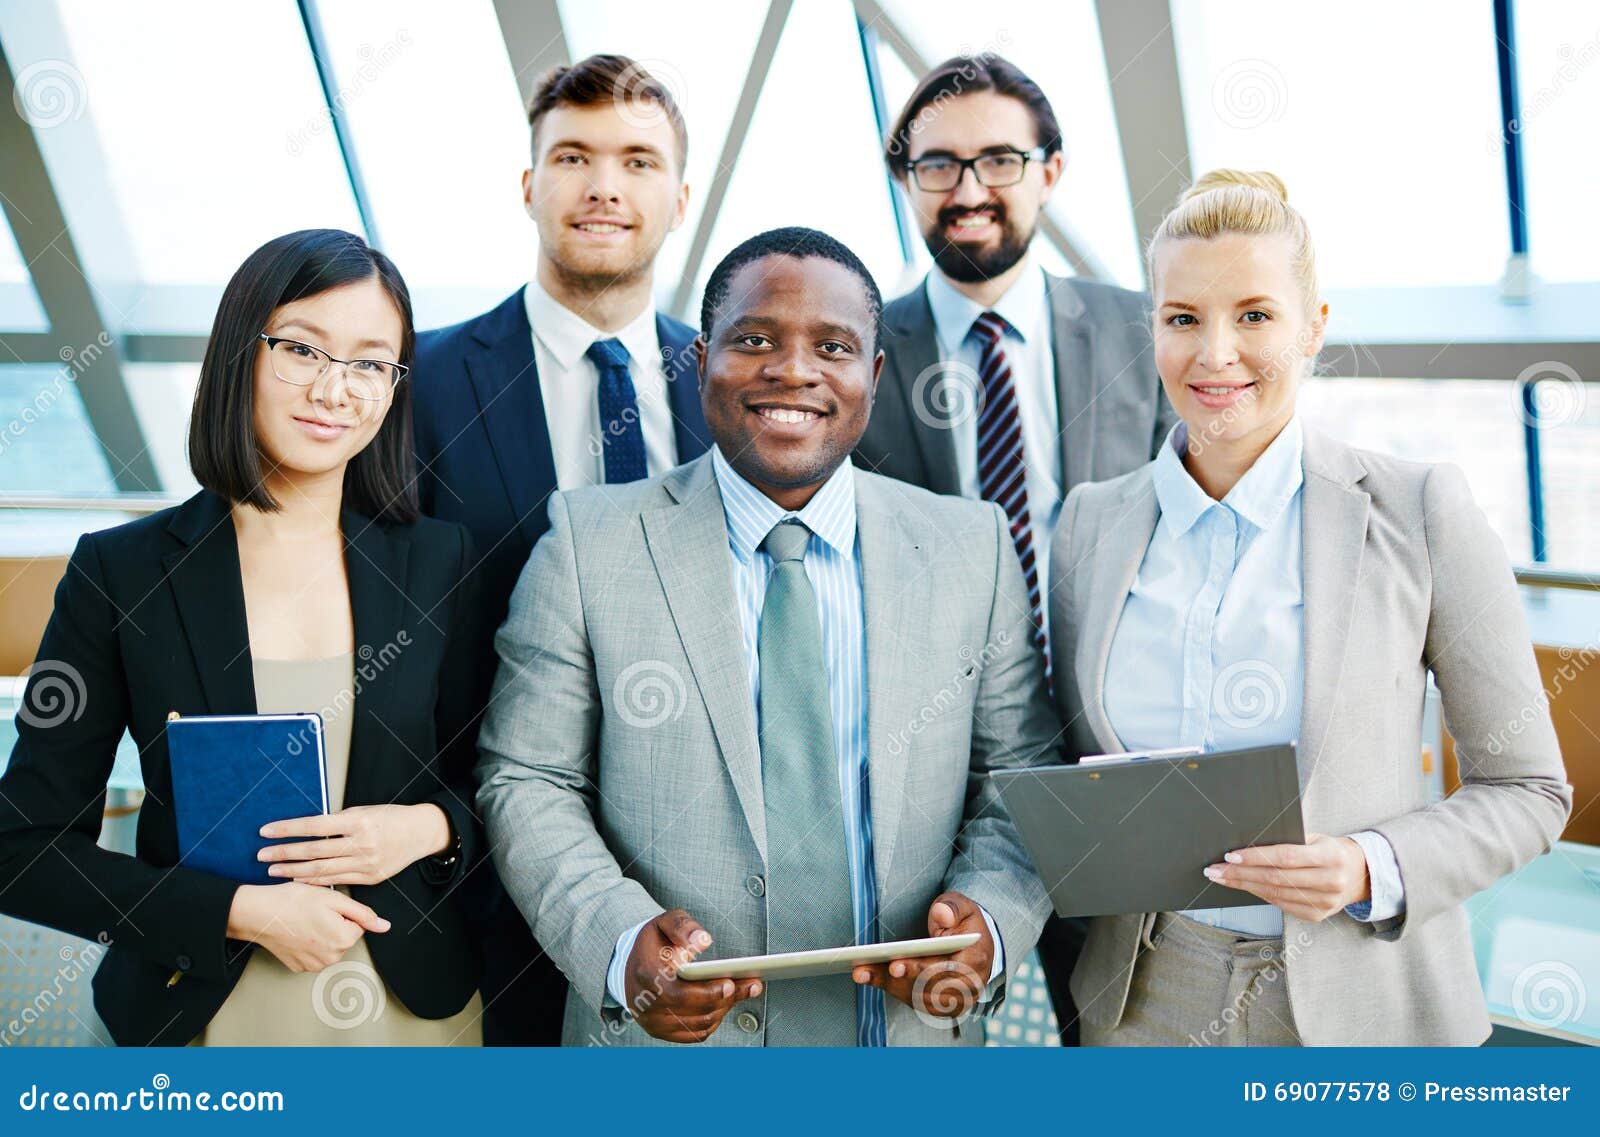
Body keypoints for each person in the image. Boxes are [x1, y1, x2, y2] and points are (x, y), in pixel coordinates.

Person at [476, 227, 1058, 1046]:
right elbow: (527, 777)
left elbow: (1023, 777)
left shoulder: (972, 548)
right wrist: (616, 944)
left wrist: (988, 923)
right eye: (754, 341)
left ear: (875, 375)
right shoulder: (587, 543)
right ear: (702, 358)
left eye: (833, 345)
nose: (793, 369)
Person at [1049, 170, 1572, 1046]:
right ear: (1155, 331)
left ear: (1314, 327)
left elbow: (1529, 788)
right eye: (1184, 319)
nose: (1216, 353)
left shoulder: (1419, 510)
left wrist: (1371, 865)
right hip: (1139, 1005)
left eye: (1254, 314)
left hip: (1360, 1002)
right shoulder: (1089, 525)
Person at [0, 230, 488, 1046]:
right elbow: (22, 847)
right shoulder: (121, 570)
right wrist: (238, 910)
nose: (335, 389)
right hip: (196, 1020)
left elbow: (503, 782)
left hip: (409, 1023)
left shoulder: (440, 562)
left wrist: (425, 829)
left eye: (370, 362)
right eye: (302, 349)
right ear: (240, 353)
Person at [854, 53, 1176, 1041]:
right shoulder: (855, 351)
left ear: (1051, 170)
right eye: (936, 165)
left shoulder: (1141, 331)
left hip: (1113, 751)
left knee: (1120, 1023)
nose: (967, 190)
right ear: (905, 179)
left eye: (997, 159)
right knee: (933, 1025)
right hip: (932, 771)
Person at [409, 54, 710, 1045]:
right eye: (573, 156)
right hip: (485, 863)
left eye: (637, 160)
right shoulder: (424, 383)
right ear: (529, 183)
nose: (605, 186)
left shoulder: (732, 391)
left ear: (679, 193)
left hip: (702, 868)